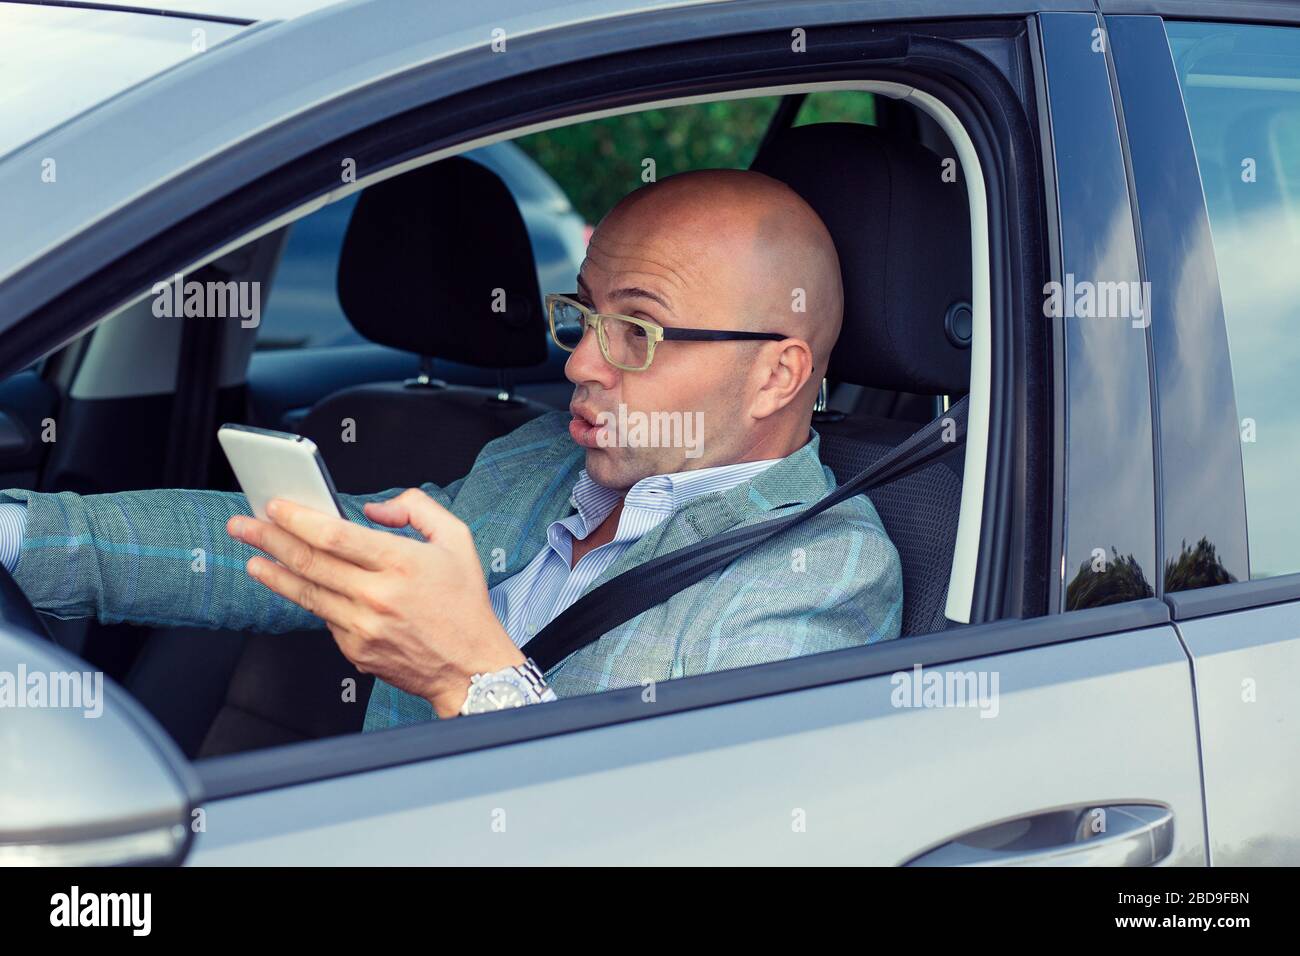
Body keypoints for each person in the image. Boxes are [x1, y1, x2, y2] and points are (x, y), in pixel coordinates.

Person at [0, 168, 902, 730]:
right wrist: (19, 536)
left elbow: (701, 838)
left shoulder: (822, 571)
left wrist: (472, 679)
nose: (581, 359)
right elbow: (274, 547)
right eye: (583, 314)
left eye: (638, 329)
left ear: (777, 377)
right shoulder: (533, 463)